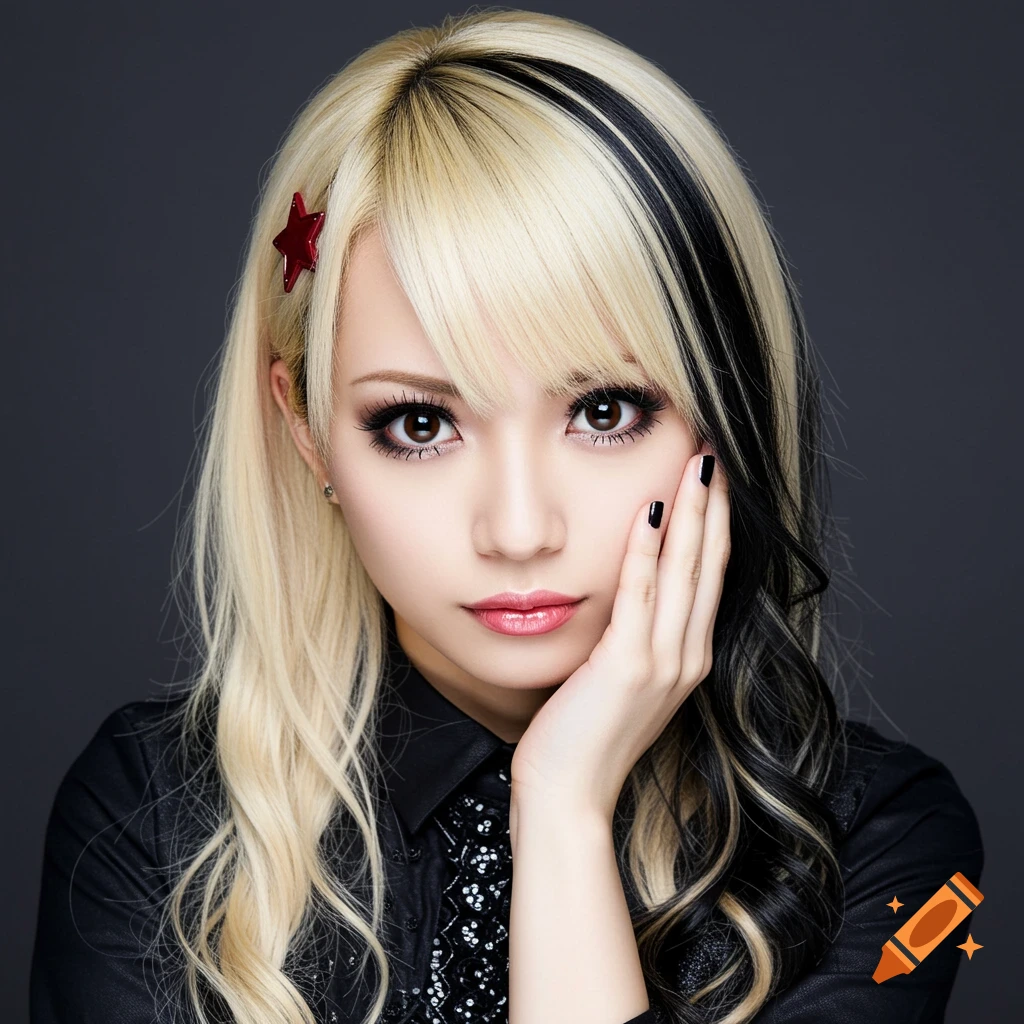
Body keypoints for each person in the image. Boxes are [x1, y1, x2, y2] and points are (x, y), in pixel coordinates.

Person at [29, 9, 982, 1024]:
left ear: (723, 421)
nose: (519, 528)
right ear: (308, 435)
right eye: (421, 421)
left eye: (604, 410)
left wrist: (564, 808)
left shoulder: (877, 843)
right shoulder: (155, 820)